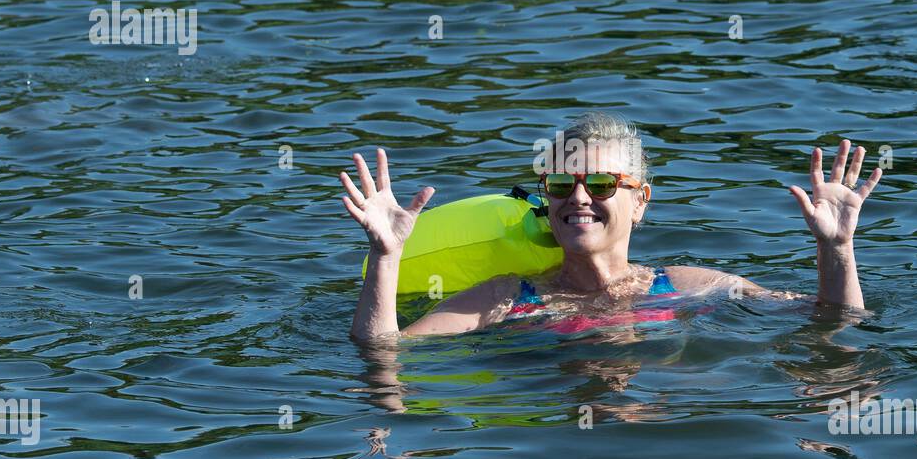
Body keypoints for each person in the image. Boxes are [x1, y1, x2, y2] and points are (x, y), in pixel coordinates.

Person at [340, 112, 881, 341]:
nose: (578, 197)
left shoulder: (690, 286)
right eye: (559, 184)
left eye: (600, 183)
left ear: (640, 201)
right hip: (553, 454)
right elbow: (386, 351)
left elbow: (834, 325)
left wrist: (837, 249)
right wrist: (386, 257)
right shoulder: (505, 299)